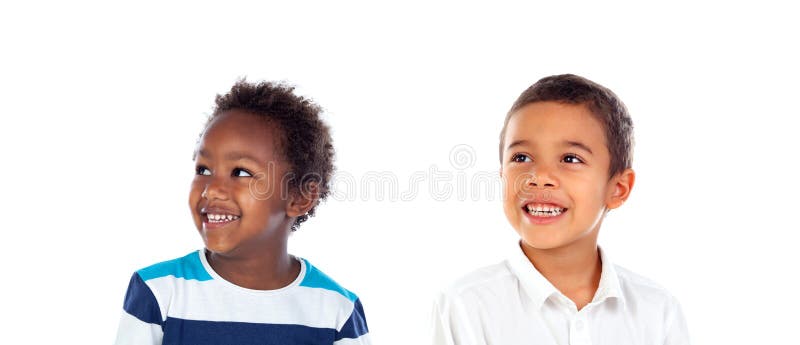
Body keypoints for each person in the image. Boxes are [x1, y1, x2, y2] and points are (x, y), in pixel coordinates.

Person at [432, 74, 689, 345]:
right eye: (521, 157)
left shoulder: (659, 312)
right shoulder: (464, 306)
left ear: (618, 188)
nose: (539, 176)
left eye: (570, 158)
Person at [114, 80, 370, 345]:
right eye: (203, 169)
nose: (212, 189)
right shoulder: (158, 292)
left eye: (241, 172)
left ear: (300, 196)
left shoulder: (336, 312)